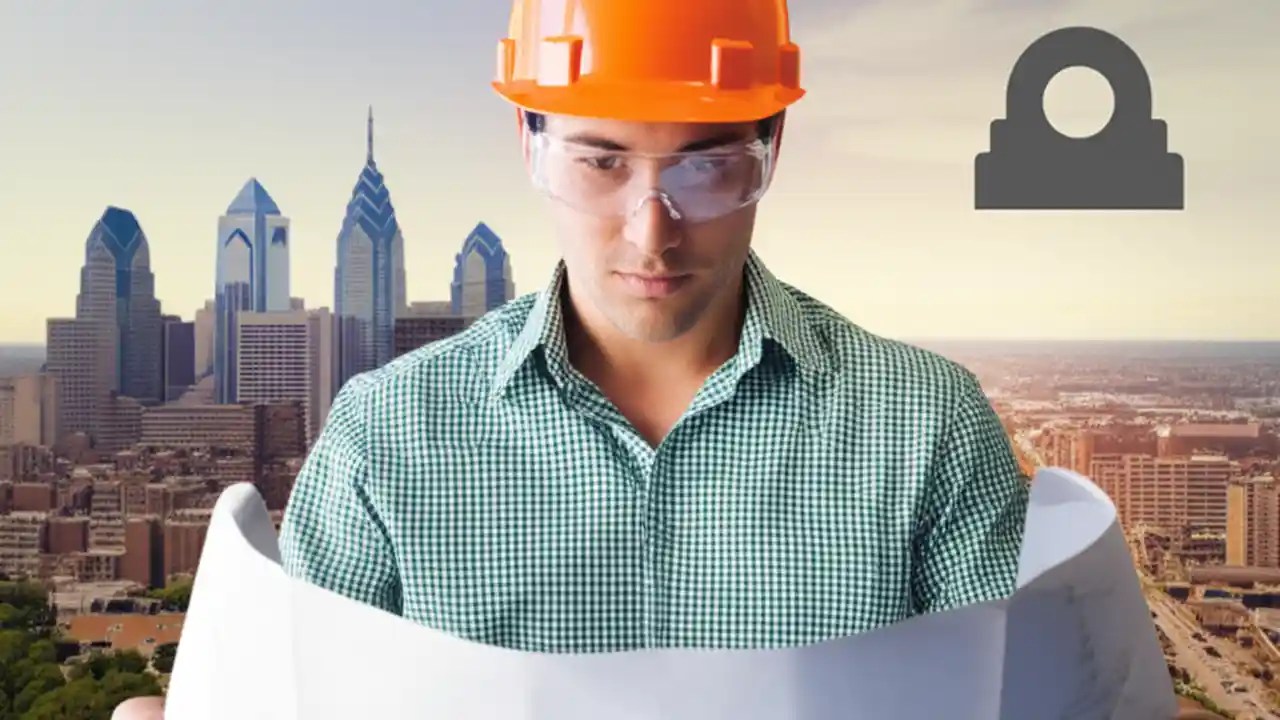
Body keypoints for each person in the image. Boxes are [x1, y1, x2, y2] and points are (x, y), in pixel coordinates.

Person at [114, 0, 1032, 716]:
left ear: (772, 147)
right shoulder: (386, 435)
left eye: (707, 167)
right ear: (530, 144)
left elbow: (1022, 701)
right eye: (600, 163)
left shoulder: (926, 426)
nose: (652, 231)